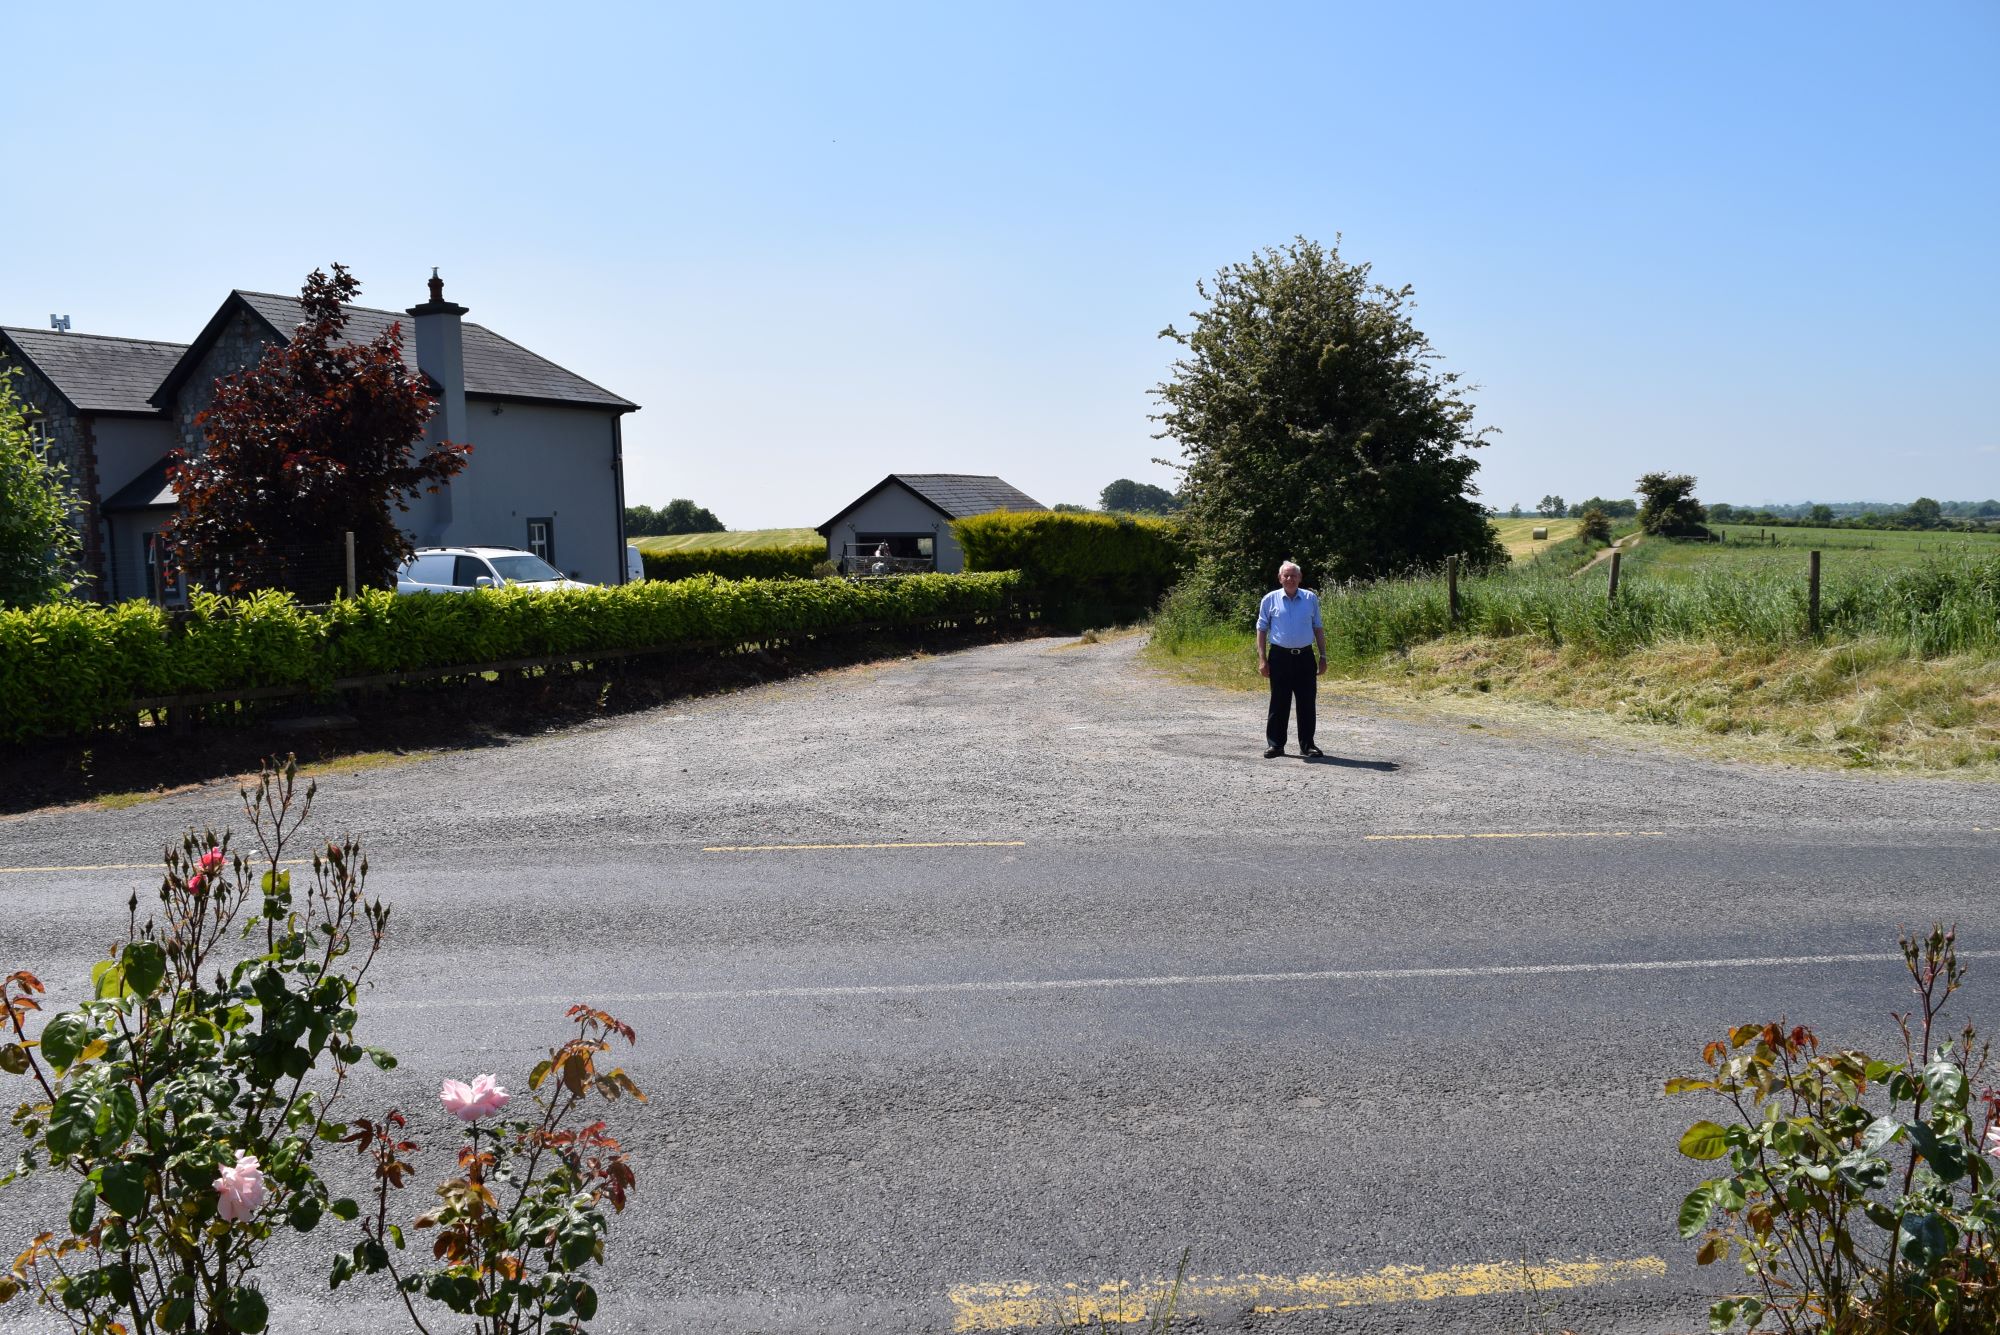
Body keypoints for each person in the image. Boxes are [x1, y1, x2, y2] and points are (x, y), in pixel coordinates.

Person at [1255, 560, 1326, 758]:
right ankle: (1276, 745)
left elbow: (1317, 627)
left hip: (1305, 656)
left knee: (1306, 702)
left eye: (1294, 575)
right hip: (1279, 657)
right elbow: (1261, 630)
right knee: (1279, 701)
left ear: (1300, 578)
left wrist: (1323, 656)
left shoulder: (1310, 598)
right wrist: (1262, 659)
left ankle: (1308, 745)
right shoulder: (1269, 599)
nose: (1290, 579)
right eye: (1286, 575)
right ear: (1280, 578)